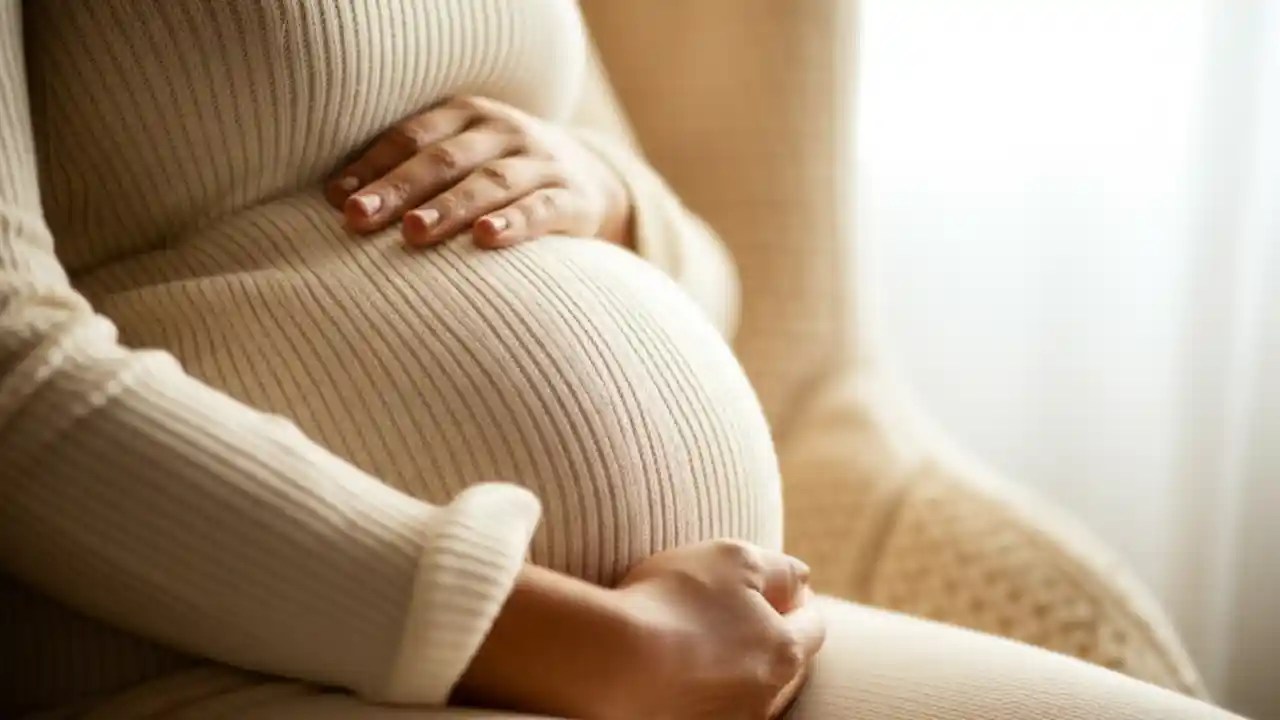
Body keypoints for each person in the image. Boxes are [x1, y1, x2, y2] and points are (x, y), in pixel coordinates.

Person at [0, 1, 1245, 718]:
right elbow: (14, 377)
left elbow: (709, 276)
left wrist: (604, 195)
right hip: (233, 659)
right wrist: (585, 644)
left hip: (690, 645)